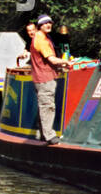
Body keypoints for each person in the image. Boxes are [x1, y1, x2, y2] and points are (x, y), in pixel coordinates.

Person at [30, 14, 71, 144]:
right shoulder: (41, 40)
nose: (48, 25)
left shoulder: (42, 37)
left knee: (44, 105)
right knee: (48, 106)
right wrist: (66, 62)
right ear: (39, 26)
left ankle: (43, 134)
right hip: (45, 78)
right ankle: (49, 136)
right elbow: (51, 59)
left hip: (41, 77)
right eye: (44, 23)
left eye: (50, 23)